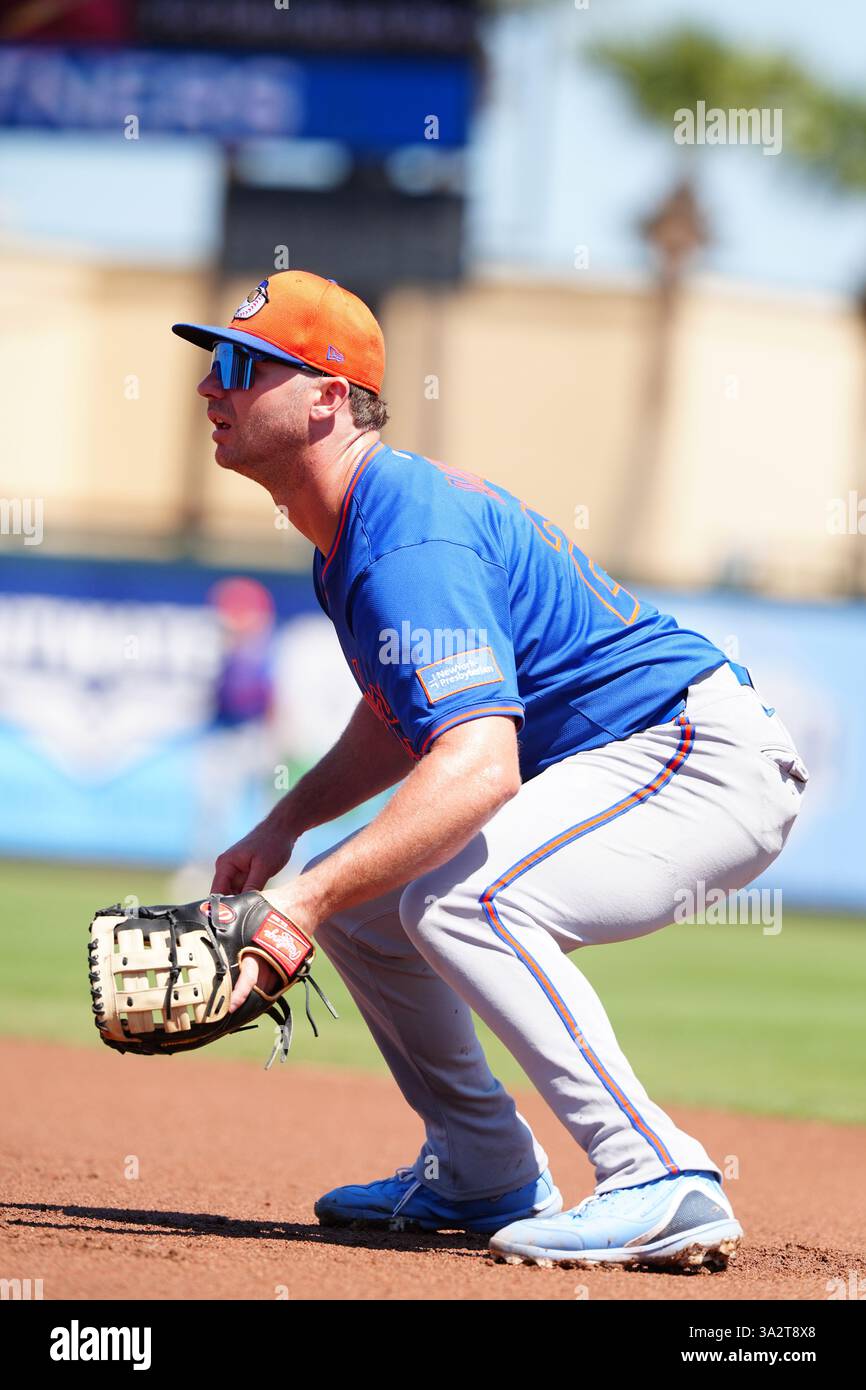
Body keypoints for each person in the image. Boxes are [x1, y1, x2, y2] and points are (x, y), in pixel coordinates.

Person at [171, 270, 809, 1270]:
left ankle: (660, 1176)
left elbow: (477, 767)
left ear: (327, 397)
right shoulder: (356, 532)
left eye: (243, 365)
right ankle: (481, 1168)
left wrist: (296, 897)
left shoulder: (404, 535)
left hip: (692, 755)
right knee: (367, 903)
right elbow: (402, 723)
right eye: (214, 362)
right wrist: (286, 830)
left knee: (459, 902)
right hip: (646, 756)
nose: (213, 385)